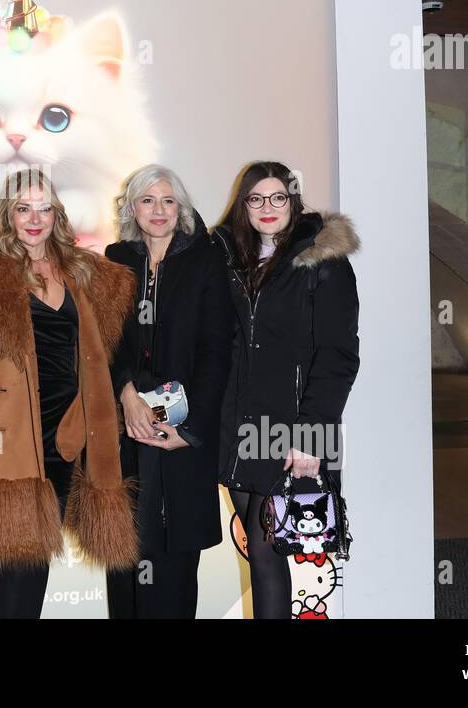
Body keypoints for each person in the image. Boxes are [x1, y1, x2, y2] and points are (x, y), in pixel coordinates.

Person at [0, 168, 138, 618]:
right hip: (10, 435)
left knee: (40, 558)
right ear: (8, 214)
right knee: (20, 562)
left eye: (44, 208)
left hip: (69, 435)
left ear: (56, 215)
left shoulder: (82, 272)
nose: (34, 218)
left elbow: (99, 358)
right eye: (23, 208)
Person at [210, 161, 360, 619]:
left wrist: (312, 435)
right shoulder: (228, 259)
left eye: (278, 197)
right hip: (235, 427)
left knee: (268, 548)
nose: (267, 208)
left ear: (293, 201)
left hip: (289, 430)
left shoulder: (321, 261)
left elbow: (338, 357)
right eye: (256, 198)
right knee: (258, 551)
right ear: (244, 205)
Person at [105, 165, 233, 618]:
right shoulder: (116, 259)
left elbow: (218, 352)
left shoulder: (206, 260)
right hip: (127, 432)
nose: (158, 210)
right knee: (124, 562)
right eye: (147, 201)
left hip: (182, 440)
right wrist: (125, 394)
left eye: (168, 201)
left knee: (173, 572)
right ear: (132, 208)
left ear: (181, 208)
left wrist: (191, 429)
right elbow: (109, 342)